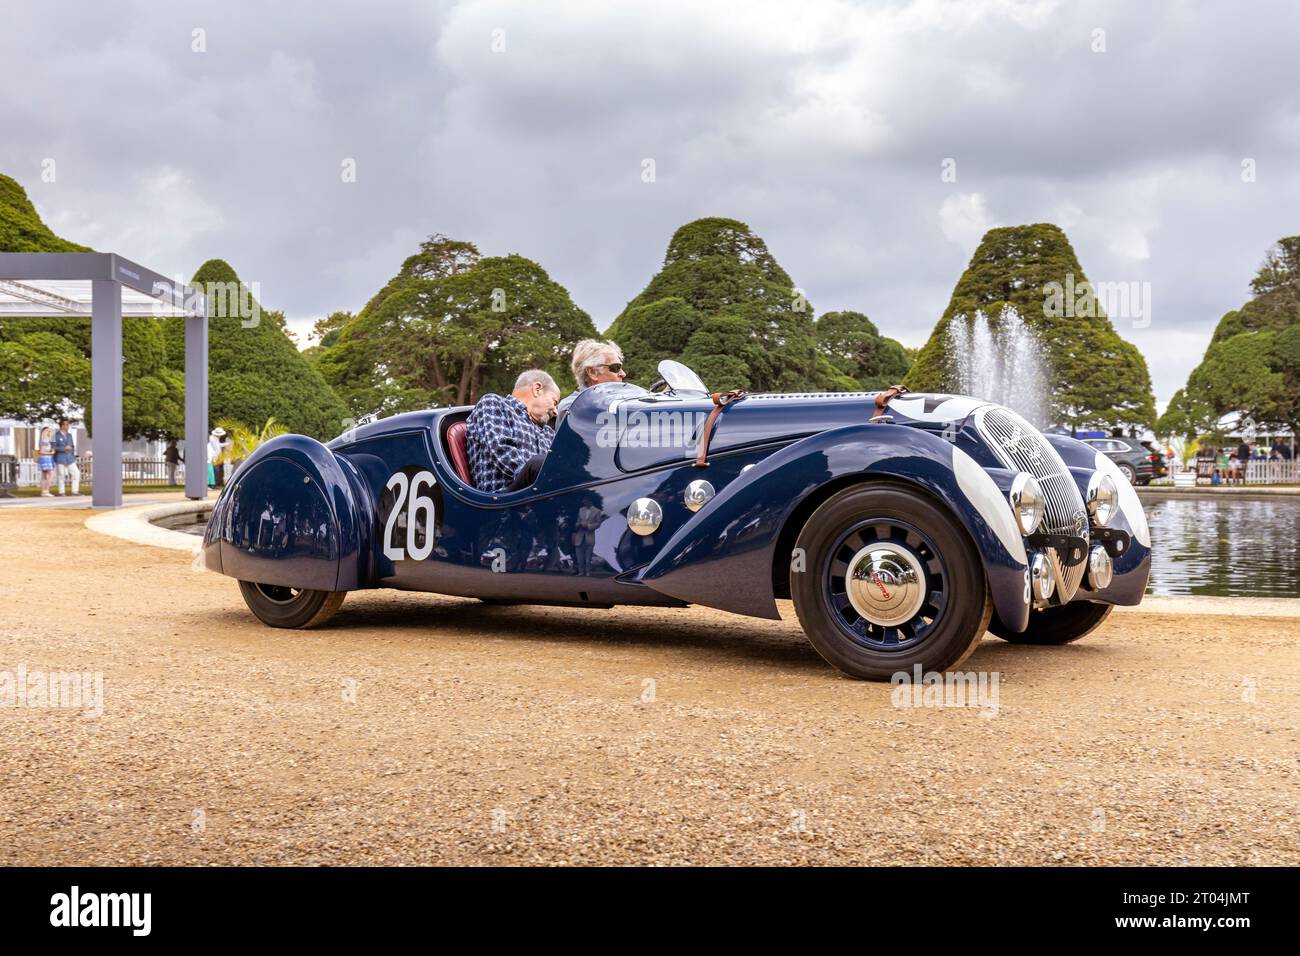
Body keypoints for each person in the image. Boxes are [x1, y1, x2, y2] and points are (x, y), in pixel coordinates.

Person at [465, 370, 561, 492]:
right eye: (554, 402)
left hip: (541, 493)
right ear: (537, 389)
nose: (555, 411)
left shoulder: (548, 432)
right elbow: (503, 453)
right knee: (538, 463)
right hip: (504, 499)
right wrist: (544, 476)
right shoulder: (494, 404)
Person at [556, 339, 627, 418]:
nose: (623, 374)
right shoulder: (572, 408)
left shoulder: (623, 403)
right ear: (592, 372)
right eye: (616, 367)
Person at [571, 496, 604, 575]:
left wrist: (589, 526)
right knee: (579, 556)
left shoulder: (597, 511)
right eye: (583, 501)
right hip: (580, 535)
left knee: (588, 557)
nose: (584, 502)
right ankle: (581, 572)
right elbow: (578, 521)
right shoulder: (581, 510)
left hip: (589, 536)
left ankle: (588, 572)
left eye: (585, 501)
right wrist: (578, 525)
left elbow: (598, 523)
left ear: (590, 501)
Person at [52, 418, 80, 496]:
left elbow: (72, 446)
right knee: (61, 475)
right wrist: (63, 448)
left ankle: (75, 491)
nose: (67, 426)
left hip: (70, 458)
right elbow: (53, 447)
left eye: (68, 424)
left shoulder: (69, 435)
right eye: (65, 424)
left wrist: (71, 452)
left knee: (76, 473)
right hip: (60, 458)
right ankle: (61, 492)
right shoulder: (55, 435)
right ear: (61, 425)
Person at [36, 427, 55, 497]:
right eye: (47, 431)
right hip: (46, 458)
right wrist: (51, 453)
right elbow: (41, 452)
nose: (49, 432)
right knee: (51, 474)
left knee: (44, 476)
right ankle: (46, 490)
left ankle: (43, 491)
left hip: (44, 459)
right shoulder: (45, 440)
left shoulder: (43, 440)